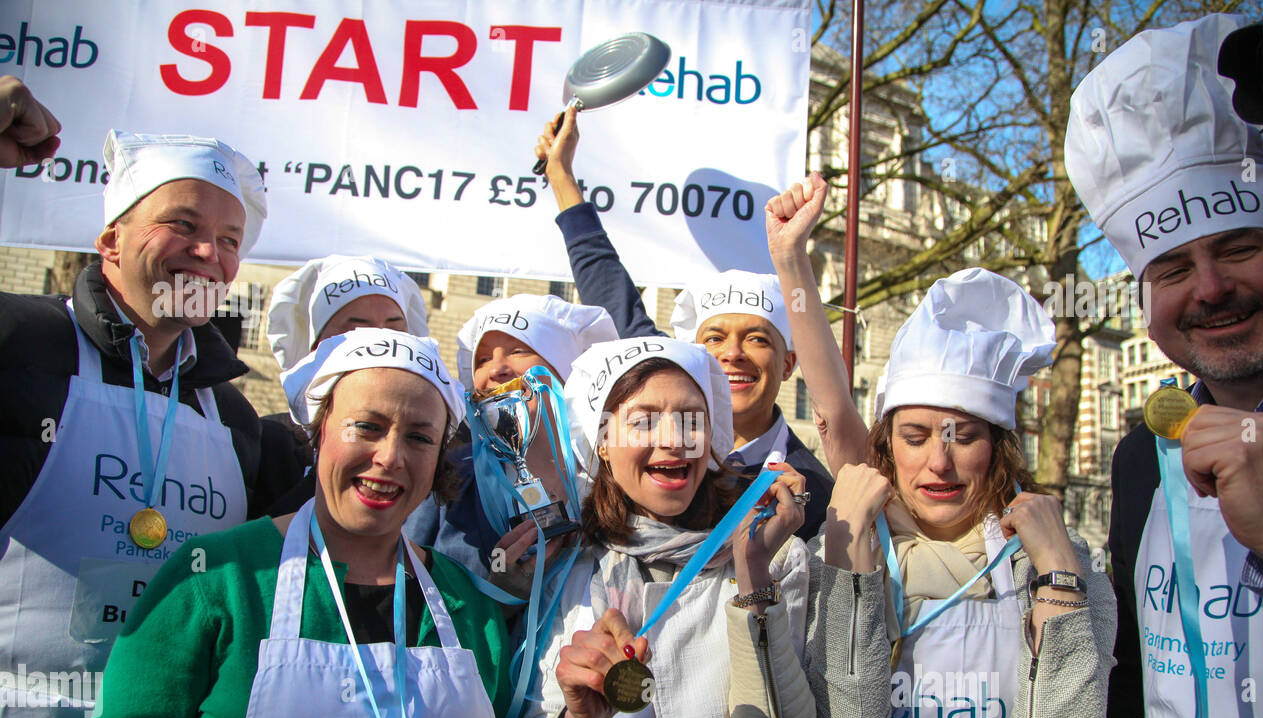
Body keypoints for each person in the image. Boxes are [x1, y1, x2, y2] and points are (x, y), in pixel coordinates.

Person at [60, 329, 525, 718]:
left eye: (420, 438)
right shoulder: (216, 581)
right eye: (366, 427)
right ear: (319, 427)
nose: (390, 457)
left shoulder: (466, 603)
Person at [767, 178, 1118, 718]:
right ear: (886, 449)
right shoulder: (862, 538)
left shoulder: (1050, 559)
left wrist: (1062, 584)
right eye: (917, 435)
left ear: (999, 445)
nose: (941, 463)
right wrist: (792, 263)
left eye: (965, 435)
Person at [0, 124, 294, 718]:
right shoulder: (19, 342)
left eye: (230, 240)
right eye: (184, 226)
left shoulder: (231, 415)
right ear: (111, 240)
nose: (210, 254)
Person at [1065, 13, 1263, 718]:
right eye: (1170, 268)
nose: (1209, 288)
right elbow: (1137, 678)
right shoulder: (1142, 455)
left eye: (1238, 247)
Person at [517, 336, 823, 718]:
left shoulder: (773, 558)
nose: (674, 440)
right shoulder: (565, 568)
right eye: (643, 421)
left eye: (691, 420)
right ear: (603, 443)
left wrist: (752, 579)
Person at [535, 107, 834, 541]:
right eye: (714, 338)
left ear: (789, 364)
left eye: (756, 338)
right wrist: (561, 176)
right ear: (693, 358)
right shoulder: (661, 378)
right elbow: (606, 281)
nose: (732, 353)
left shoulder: (814, 491)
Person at [408, 293, 617, 594]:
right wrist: (497, 593)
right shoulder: (449, 477)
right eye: (481, 360)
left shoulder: (613, 473)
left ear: (566, 369)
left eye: (518, 350)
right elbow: (412, 584)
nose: (496, 370)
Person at [260, 255, 433, 516]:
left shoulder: (430, 449)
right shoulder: (270, 442)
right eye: (357, 332)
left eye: (394, 331)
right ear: (316, 348)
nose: (380, 344)